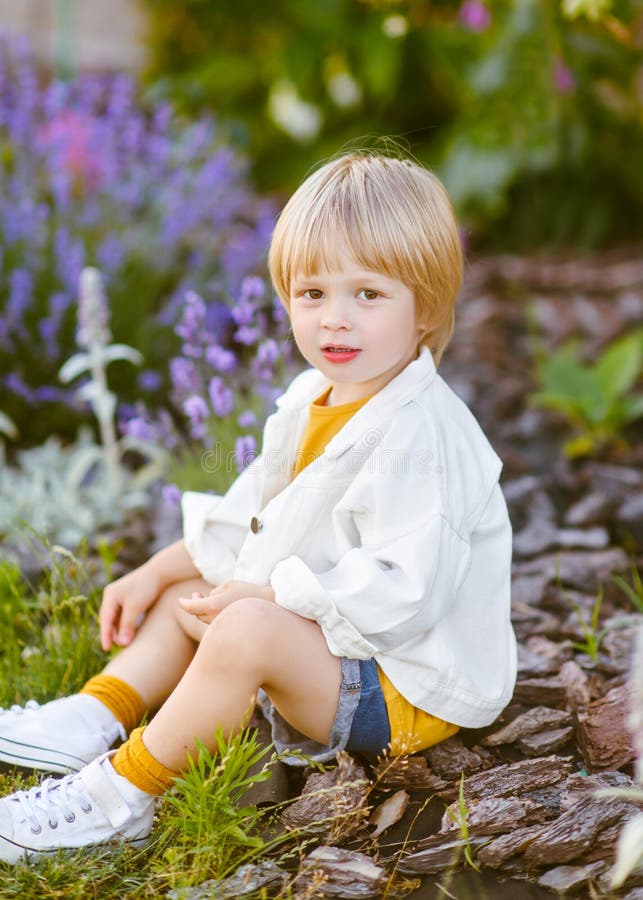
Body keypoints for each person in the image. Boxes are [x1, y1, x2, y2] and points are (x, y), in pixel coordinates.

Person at [0, 151, 516, 863]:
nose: (334, 320)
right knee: (195, 591)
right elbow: (252, 519)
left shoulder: (424, 435)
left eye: (367, 295)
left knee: (243, 626)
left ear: (424, 306)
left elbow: (409, 593)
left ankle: (120, 796)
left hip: (407, 685)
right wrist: (159, 570)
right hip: (345, 641)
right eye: (311, 294)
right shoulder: (313, 400)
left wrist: (269, 595)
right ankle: (96, 712)